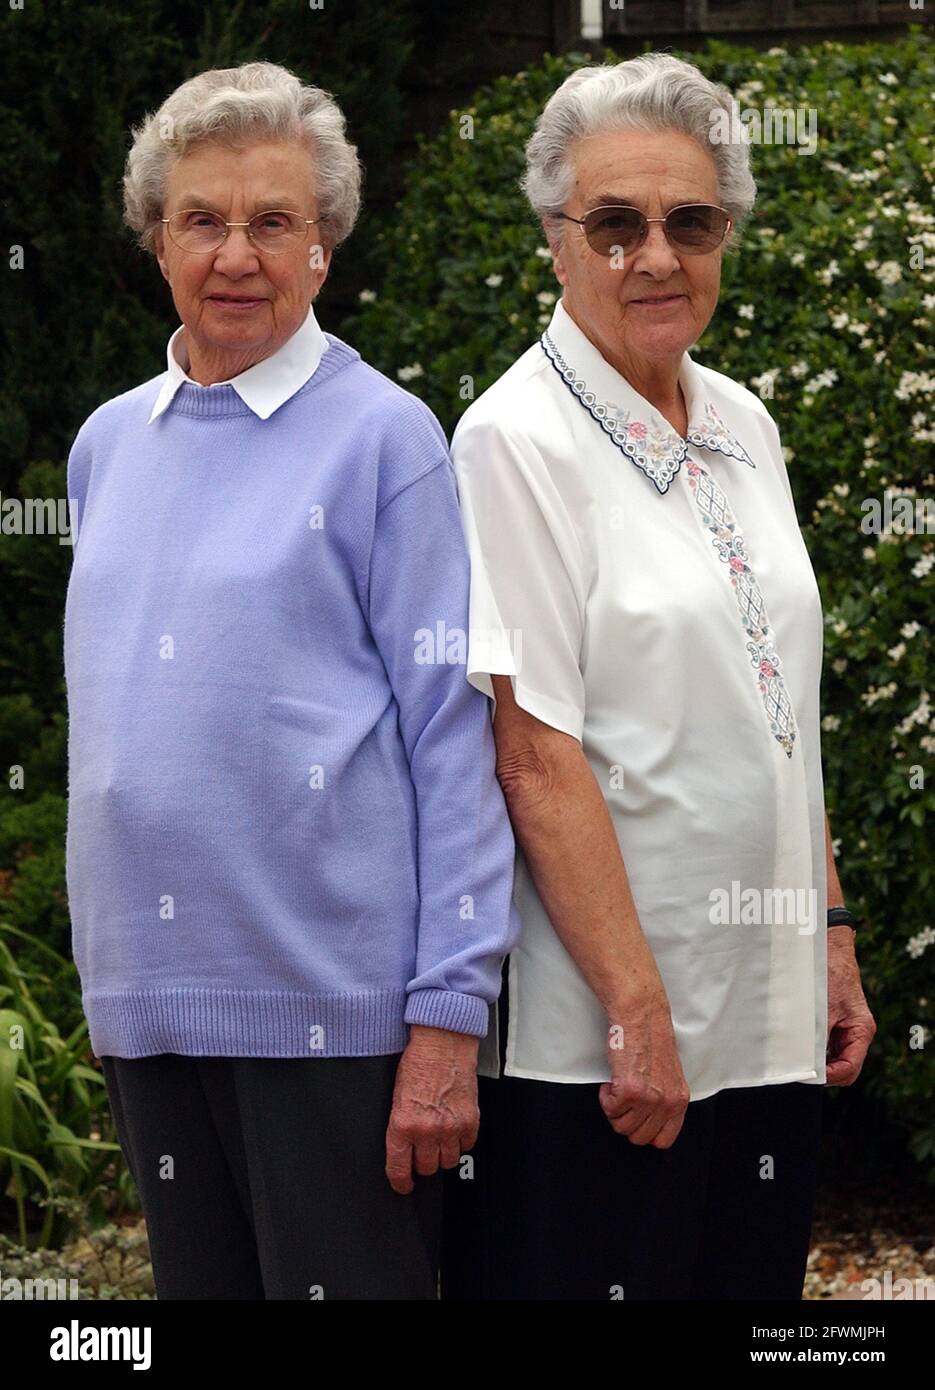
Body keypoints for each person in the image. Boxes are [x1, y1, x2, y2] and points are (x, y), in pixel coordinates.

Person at [63, 61, 519, 1301]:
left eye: (274, 221)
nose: (236, 254)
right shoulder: (107, 445)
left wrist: (445, 1017)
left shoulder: (387, 439)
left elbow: (451, 740)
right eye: (202, 219)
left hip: (335, 1023)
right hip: (149, 1008)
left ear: (324, 246)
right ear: (157, 238)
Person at [442, 52, 876, 1301]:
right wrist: (637, 1011)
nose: (654, 256)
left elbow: (778, 709)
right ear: (554, 240)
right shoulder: (513, 440)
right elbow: (531, 749)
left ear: (724, 232)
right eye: (614, 224)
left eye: (689, 222)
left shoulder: (744, 420)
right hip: (604, 1051)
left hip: (765, 1015)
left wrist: (830, 934)